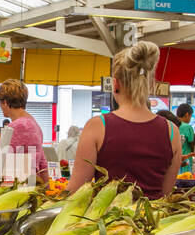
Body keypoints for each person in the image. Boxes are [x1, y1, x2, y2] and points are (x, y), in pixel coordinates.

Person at [67, 42, 182, 199]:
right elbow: (166, 195)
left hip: (107, 222)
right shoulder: (171, 131)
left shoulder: (97, 126)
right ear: (150, 83)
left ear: (115, 84)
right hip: (154, 221)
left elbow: (76, 192)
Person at [0, 79, 48, 183]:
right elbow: (42, 162)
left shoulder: (17, 126)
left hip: (17, 187)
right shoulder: (33, 123)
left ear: (5, 102)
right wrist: (47, 188)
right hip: (31, 184)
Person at [175, 103, 195, 174]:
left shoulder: (172, 124)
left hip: (175, 159)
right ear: (187, 115)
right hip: (186, 160)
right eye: (190, 116)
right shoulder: (188, 127)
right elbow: (192, 144)